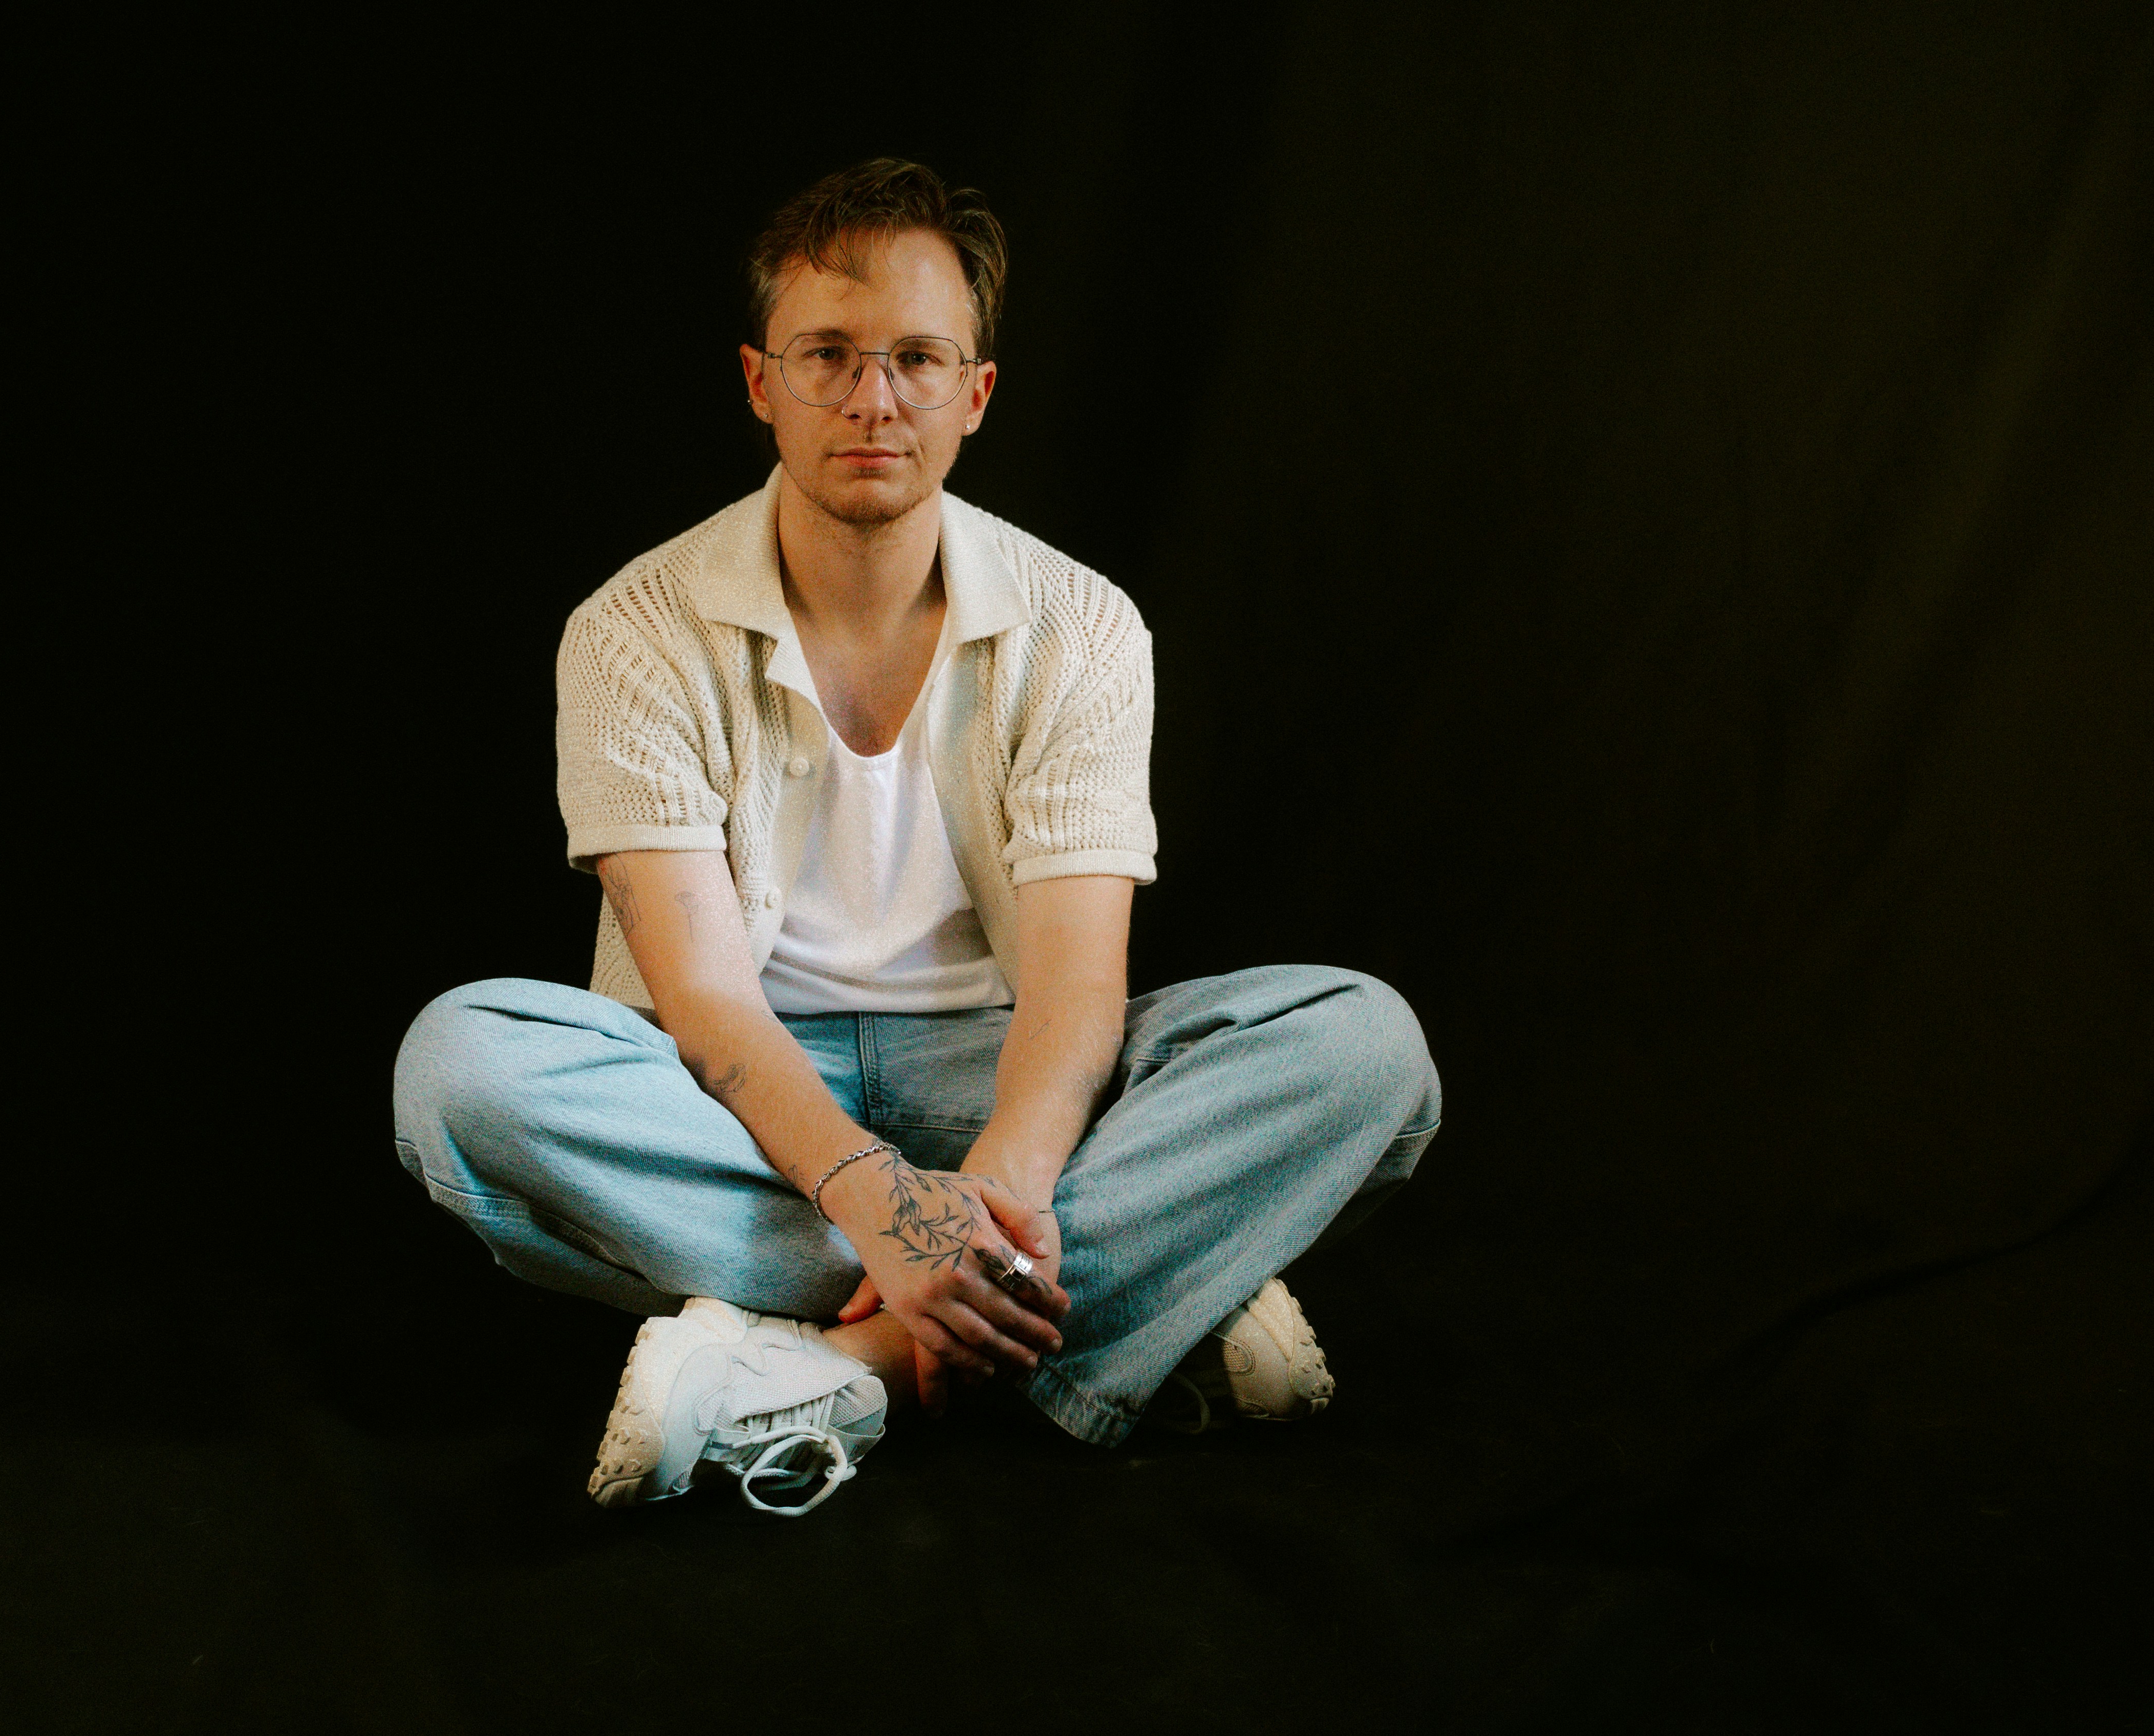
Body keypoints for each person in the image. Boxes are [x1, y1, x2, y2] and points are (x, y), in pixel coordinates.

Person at [391, 159, 1441, 1516]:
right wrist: (881, 1207)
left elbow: (1075, 993)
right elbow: (704, 1005)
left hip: (992, 1076)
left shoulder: (1085, 626)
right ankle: (1128, 1308)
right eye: (828, 354)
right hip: (730, 1099)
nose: (872, 398)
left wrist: (983, 1195)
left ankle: (841, 1369)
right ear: (761, 381)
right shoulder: (634, 629)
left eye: (915, 360)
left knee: (1363, 1050)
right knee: (459, 1074)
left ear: (975, 393)